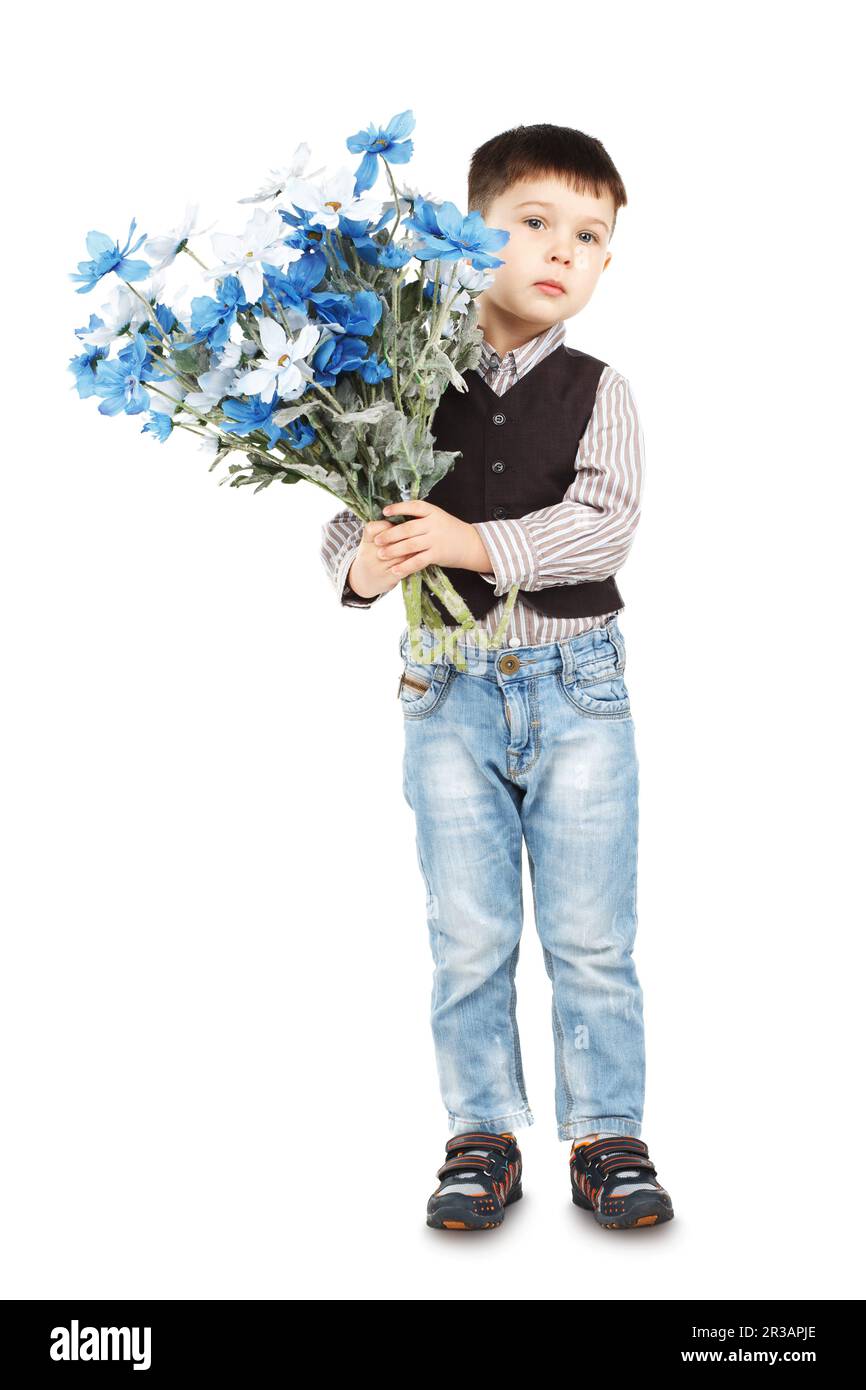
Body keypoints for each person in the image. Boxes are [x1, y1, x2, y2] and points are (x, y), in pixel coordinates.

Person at [320, 123, 674, 1232]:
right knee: (468, 930)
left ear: (605, 264)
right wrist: (365, 566)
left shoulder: (598, 388)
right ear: (470, 235)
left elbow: (603, 526)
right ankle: (479, 1132)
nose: (560, 251)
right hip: (445, 688)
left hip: (577, 689)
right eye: (532, 224)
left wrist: (472, 545)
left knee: (590, 931)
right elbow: (346, 508)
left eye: (588, 236)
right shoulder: (398, 379)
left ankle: (605, 1133)